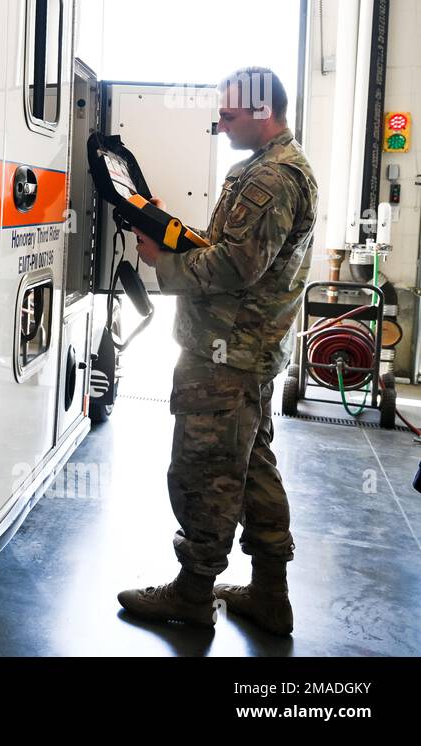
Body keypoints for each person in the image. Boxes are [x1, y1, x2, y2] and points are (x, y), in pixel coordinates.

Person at [116, 67, 318, 634]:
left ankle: (192, 593)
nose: (220, 124)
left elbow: (236, 266)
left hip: (226, 357)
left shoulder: (271, 179)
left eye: (229, 115)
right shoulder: (275, 168)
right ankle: (270, 595)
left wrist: (163, 261)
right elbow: (228, 247)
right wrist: (169, 228)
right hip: (249, 352)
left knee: (205, 471)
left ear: (262, 112)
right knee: (253, 470)